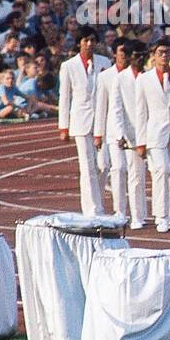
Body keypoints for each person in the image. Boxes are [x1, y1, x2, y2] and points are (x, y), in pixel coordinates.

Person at [134, 38, 170, 233]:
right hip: (155, 133)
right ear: (153, 56)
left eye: (167, 52)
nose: (164, 56)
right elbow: (140, 111)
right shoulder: (143, 79)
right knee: (161, 171)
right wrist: (141, 141)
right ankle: (161, 216)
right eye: (160, 52)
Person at [57, 26, 110, 215]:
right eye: (86, 40)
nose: (89, 44)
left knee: (104, 165)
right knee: (87, 166)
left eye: (92, 40)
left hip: (102, 121)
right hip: (80, 121)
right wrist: (63, 125)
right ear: (79, 42)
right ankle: (92, 209)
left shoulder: (104, 62)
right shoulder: (68, 66)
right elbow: (65, 96)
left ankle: (98, 200)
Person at [93, 38, 136, 222]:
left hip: (133, 129)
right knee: (117, 168)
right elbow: (101, 105)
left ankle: (136, 212)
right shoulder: (105, 76)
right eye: (121, 51)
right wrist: (98, 133)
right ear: (115, 54)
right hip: (112, 130)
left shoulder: (137, 75)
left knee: (132, 172)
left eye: (128, 52)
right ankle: (120, 211)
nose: (125, 55)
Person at [109, 41, 150, 229]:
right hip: (132, 133)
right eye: (136, 55)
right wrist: (120, 133)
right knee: (135, 175)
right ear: (129, 57)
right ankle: (137, 216)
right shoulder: (120, 78)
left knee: (162, 173)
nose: (140, 59)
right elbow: (116, 108)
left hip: (153, 131)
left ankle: (163, 214)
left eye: (143, 54)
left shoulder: (150, 76)